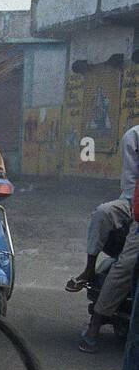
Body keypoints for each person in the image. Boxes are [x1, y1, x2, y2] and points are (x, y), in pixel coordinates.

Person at [73, 123, 139, 351]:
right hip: (134, 202)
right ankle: (96, 321)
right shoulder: (134, 136)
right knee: (127, 262)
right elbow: (131, 185)